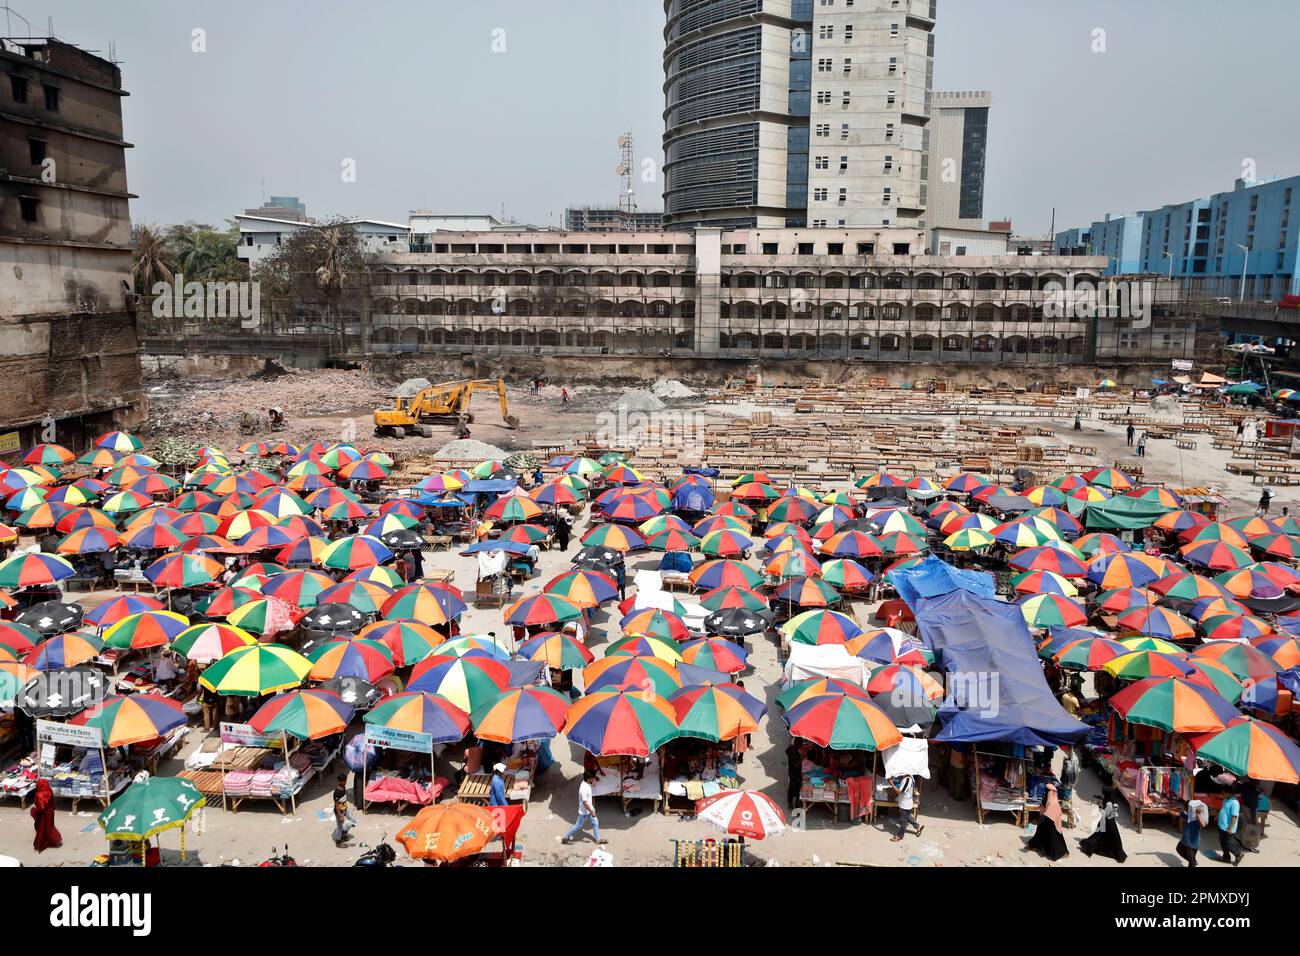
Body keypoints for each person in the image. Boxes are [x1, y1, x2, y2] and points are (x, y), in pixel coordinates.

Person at [1079, 786, 1127, 862]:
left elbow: (1105, 814)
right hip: (1109, 822)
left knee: (1099, 836)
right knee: (1109, 837)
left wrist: (1101, 807)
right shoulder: (1109, 800)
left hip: (1107, 823)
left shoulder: (1109, 804)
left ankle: (1091, 846)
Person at [1025, 782, 1068, 860]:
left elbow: (1049, 813)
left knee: (1053, 835)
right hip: (1049, 819)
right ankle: (1035, 846)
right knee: (1043, 831)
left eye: (1047, 790)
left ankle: (1061, 852)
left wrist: (1040, 820)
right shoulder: (1050, 797)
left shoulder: (1052, 801)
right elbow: (1044, 806)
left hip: (1052, 820)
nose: (1045, 791)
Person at [561, 770, 606, 845]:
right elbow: (585, 803)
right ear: (588, 778)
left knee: (595, 823)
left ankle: (598, 839)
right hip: (584, 812)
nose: (594, 779)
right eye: (593, 778)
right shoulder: (583, 789)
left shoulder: (587, 782)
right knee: (578, 826)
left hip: (589, 809)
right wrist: (592, 812)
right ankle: (565, 838)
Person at [889, 773, 923, 842]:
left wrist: (891, 783)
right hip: (906, 802)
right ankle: (917, 826)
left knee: (903, 821)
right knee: (908, 817)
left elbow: (899, 791)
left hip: (905, 804)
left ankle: (900, 836)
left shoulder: (907, 780)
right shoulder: (908, 778)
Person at [1176, 798, 1210, 867]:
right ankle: (1194, 861)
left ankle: (1193, 861)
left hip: (1193, 843)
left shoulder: (1197, 818)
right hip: (1184, 840)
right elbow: (1177, 814)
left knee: (1191, 863)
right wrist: (1167, 811)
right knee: (1179, 849)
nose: (1185, 809)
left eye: (1186, 808)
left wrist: (1198, 814)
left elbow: (1203, 825)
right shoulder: (1186, 814)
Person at [31, 779, 61, 852]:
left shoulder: (39, 795)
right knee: (50, 826)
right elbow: (52, 801)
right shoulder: (49, 790)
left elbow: (41, 807)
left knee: (43, 828)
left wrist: (34, 811)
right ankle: (52, 841)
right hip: (50, 812)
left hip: (43, 814)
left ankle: (50, 841)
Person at [1216, 789, 1242, 865]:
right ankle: (1226, 857)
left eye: (1224, 793)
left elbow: (1234, 816)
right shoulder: (1226, 800)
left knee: (1228, 843)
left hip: (1228, 827)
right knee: (1222, 842)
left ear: (1230, 793)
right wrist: (1217, 817)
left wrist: (1230, 827)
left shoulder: (1234, 803)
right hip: (1221, 825)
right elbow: (1223, 809)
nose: (1222, 795)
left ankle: (1238, 854)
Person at [332, 773, 355, 847]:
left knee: (352, 821)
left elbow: (344, 799)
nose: (346, 782)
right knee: (339, 826)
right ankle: (338, 842)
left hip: (345, 809)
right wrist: (340, 816)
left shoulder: (343, 787)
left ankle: (343, 833)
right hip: (339, 812)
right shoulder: (336, 792)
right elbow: (336, 805)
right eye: (345, 781)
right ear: (340, 781)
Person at [785, 741, 805, 810]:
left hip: (791, 771)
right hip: (795, 773)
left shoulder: (791, 748)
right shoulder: (795, 753)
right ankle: (796, 806)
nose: (801, 746)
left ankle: (790, 802)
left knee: (791, 787)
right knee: (796, 788)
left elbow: (786, 751)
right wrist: (802, 757)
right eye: (801, 745)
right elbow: (796, 765)